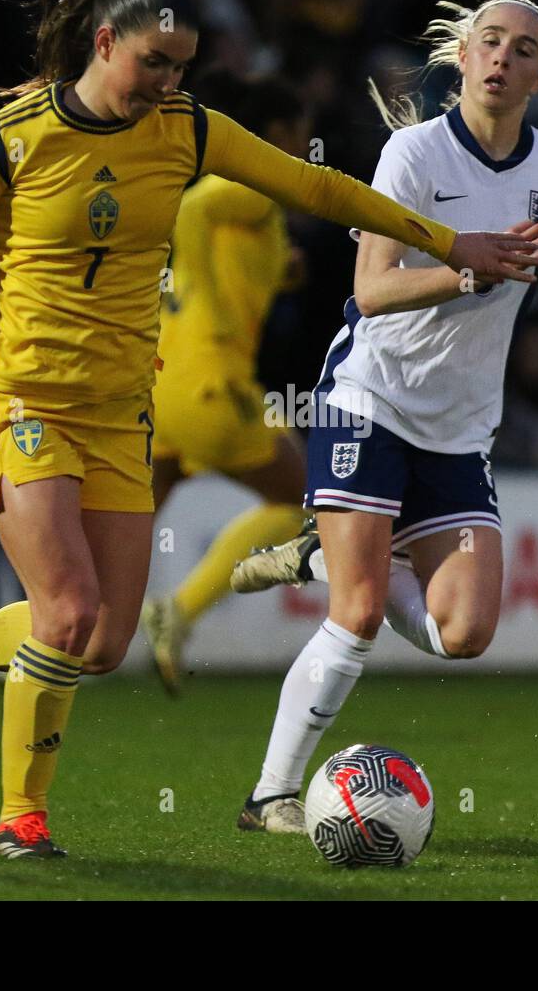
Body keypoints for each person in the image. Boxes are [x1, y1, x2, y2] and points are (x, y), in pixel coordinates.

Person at [0, 0, 538, 860]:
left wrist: (447, 242)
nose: (167, 83)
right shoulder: (11, 137)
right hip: (20, 394)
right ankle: (21, 820)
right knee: (67, 611)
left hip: (124, 409)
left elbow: (315, 187)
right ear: (104, 41)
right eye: (153, 62)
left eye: (182, 67)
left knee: (101, 642)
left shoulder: (187, 130)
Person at [230, 0, 538, 833]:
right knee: (363, 612)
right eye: (490, 42)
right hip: (371, 398)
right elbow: (368, 290)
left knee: (466, 631)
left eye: (524, 51)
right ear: (463, 54)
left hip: (460, 426)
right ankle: (270, 794)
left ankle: (317, 559)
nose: (501, 59)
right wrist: (466, 269)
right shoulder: (413, 153)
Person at [140, 70, 312, 695]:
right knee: (303, 504)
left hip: (161, 389)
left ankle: (32, 649)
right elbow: (190, 210)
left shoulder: (256, 211)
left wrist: (283, 270)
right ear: (279, 134)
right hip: (215, 388)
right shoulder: (257, 181)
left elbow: (218, 241)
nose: (303, 150)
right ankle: (179, 610)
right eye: (298, 135)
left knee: (119, 548)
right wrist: (211, 314)